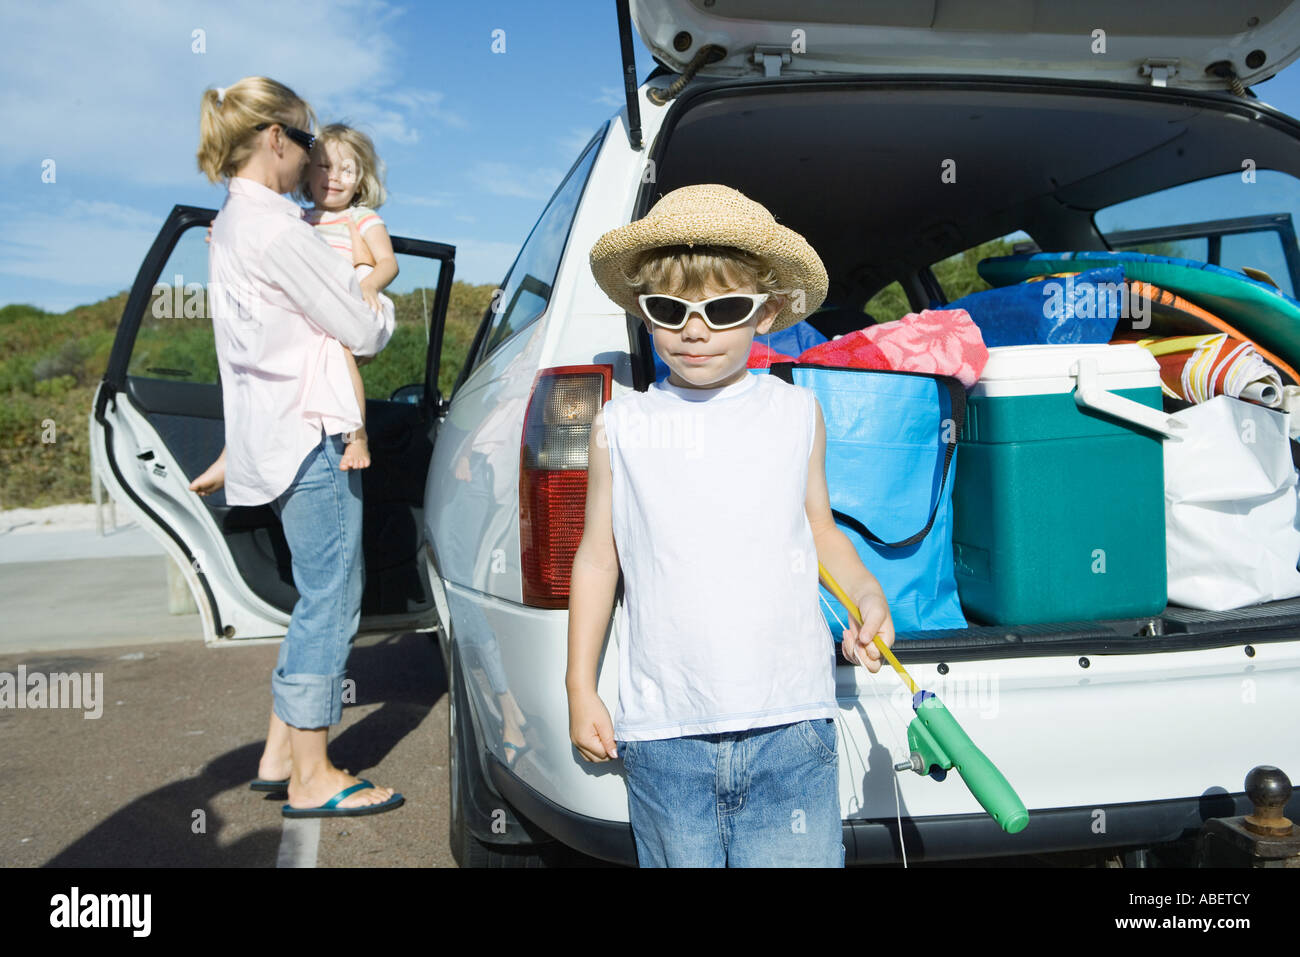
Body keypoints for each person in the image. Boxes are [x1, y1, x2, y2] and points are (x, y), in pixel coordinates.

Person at [566, 183, 896, 866]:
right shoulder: (620, 425)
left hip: (790, 723)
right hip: (664, 734)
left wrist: (867, 594)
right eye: (669, 310)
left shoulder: (795, 413)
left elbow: (821, 530)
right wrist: (578, 685)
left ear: (766, 312)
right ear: (644, 312)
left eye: (722, 310)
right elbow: (598, 559)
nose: (694, 329)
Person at [195, 76, 402, 817]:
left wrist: (233, 446)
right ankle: (314, 776)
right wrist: (376, 305)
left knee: (315, 596)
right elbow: (365, 328)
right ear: (277, 139)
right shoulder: (281, 230)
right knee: (332, 601)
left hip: (275, 433)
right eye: (308, 141)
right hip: (314, 435)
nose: (314, 156)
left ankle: (281, 753)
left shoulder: (231, 225)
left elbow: (240, 358)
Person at [299, 123, 399, 471]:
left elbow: (388, 263)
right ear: (305, 171)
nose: (335, 176)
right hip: (321, 312)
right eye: (324, 166)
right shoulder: (297, 220)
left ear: (360, 180)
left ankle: (357, 436)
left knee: (338, 348)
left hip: (360, 301)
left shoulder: (360, 217)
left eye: (347, 169)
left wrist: (369, 285)